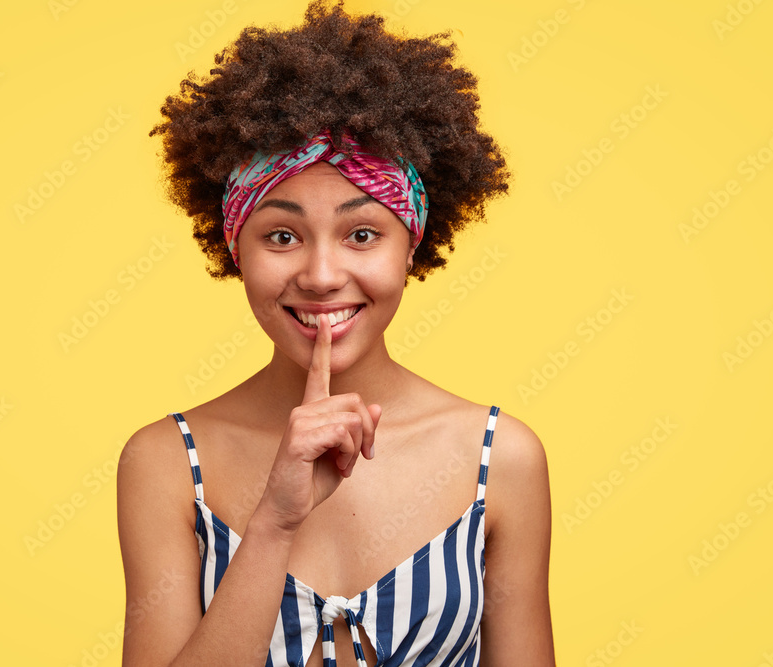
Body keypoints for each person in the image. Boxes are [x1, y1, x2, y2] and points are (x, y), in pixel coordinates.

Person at [117, 2, 555, 665]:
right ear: (236, 247)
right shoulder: (168, 464)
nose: (322, 275)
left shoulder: (502, 460)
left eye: (362, 233)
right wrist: (275, 520)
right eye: (283, 235)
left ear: (413, 243)